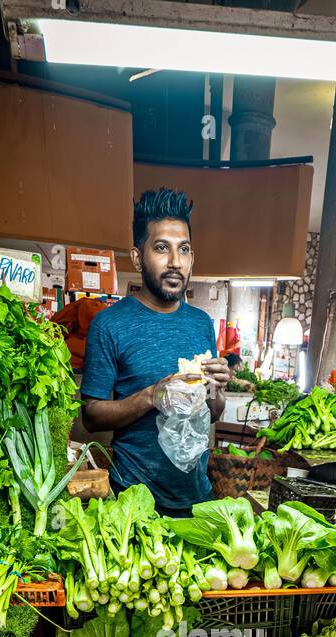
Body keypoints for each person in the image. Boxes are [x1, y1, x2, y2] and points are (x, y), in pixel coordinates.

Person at [81, 188, 230, 515]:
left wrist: (218, 389)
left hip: (196, 502)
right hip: (132, 506)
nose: (175, 262)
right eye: (162, 248)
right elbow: (90, 416)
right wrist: (151, 396)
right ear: (138, 258)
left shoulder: (202, 323)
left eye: (184, 249)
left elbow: (213, 412)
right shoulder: (109, 325)